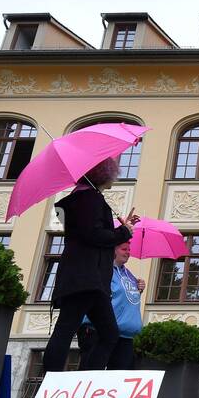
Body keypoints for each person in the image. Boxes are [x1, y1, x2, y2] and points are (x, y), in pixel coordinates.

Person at [42, 157, 139, 372]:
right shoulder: (90, 199)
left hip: (87, 279)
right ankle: (52, 380)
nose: (116, 176)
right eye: (114, 172)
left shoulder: (81, 200)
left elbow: (89, 233)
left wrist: (121, 228)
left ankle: (86, 378)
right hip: (87, 279)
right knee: (67, 329)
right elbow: (94, 235)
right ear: (103, 174)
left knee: (108, 333)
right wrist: (123, 232)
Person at [77, 240, 147, 370]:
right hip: (98, 331)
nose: (128, 252)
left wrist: (139, 289)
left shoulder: (128, 274)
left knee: (121, 379)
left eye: (129, 250)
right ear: (113, 250)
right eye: (124, 249)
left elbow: (126, 298)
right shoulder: (102, 270)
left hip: (125, 334)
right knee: (91, 374)